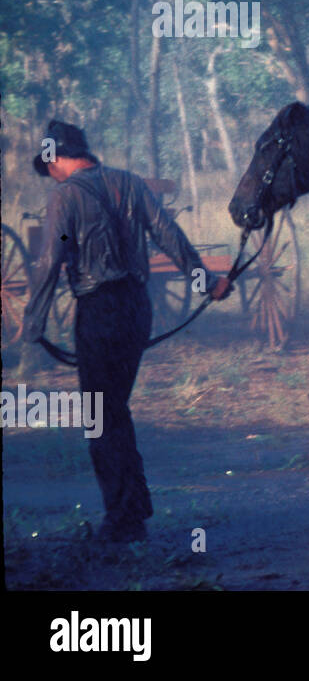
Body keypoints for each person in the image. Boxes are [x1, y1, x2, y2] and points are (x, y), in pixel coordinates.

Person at [21, 119, 232, 543]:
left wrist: (33, 324)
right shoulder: (131, 184)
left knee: (101, 415)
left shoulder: (64, 197)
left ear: (58, 157)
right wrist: (205, 281)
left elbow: (50, 261)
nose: (52, 175)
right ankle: (132, 508)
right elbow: (169, 235)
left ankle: (124, 518)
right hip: (138, 308)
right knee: (113, 407)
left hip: (99, 311)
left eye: (51, 167)